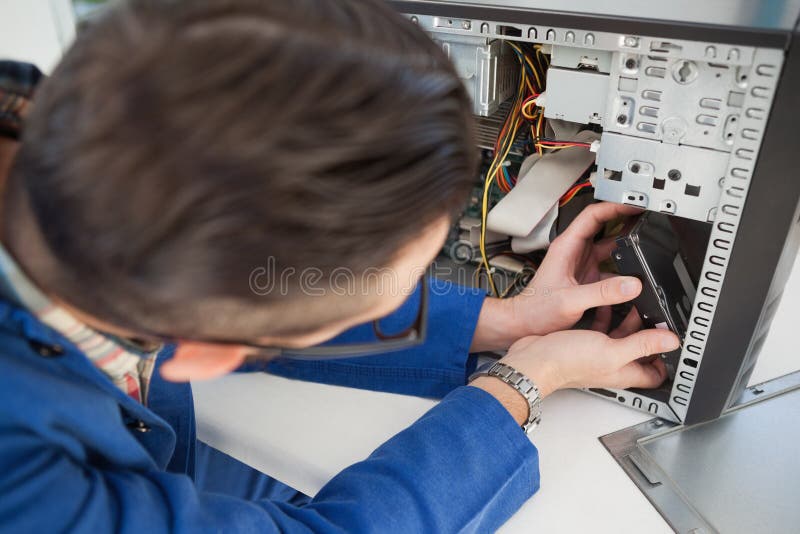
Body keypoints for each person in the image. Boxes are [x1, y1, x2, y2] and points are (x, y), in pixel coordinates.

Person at [0, 0, 678, 532]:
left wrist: (503, 320)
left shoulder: (54, 117)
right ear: (200, 353)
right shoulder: (26, 483)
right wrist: (526, 381)